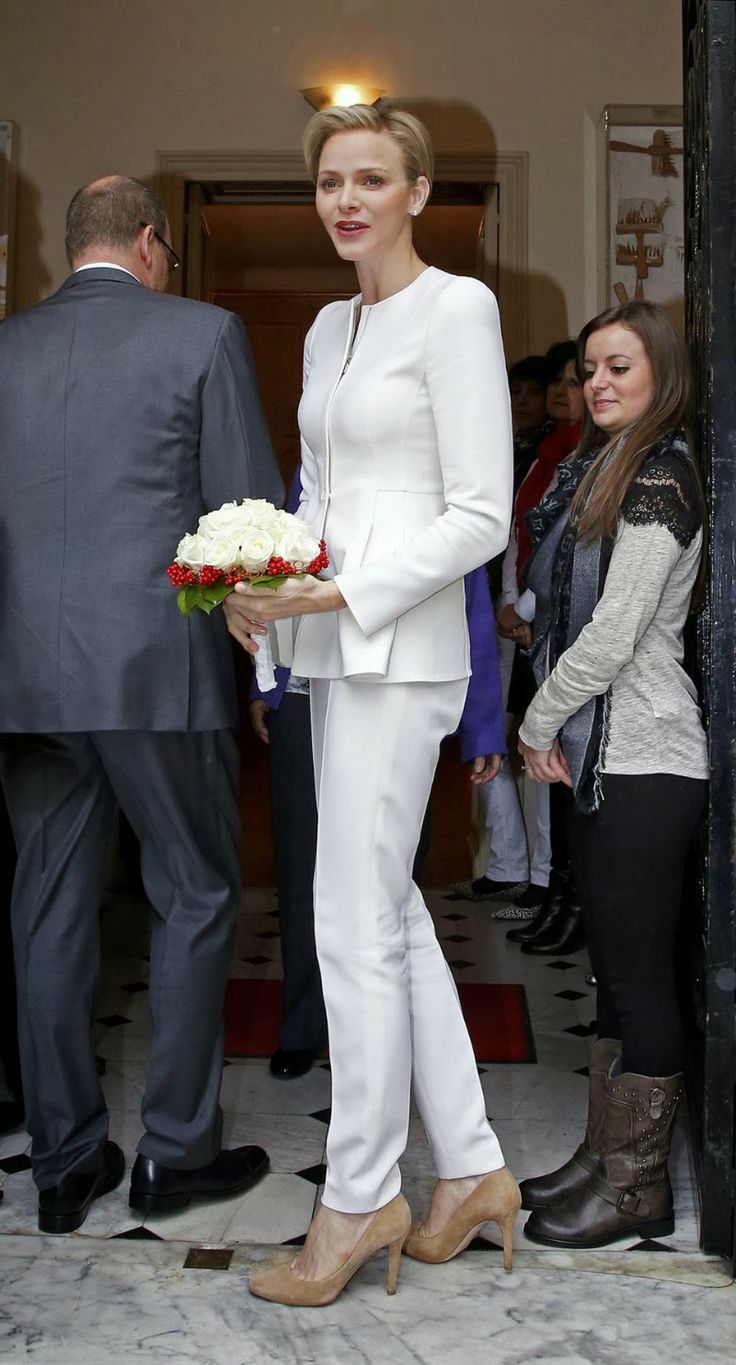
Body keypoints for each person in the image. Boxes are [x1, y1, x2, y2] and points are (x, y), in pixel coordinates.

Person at [224, 103, 520, 1306]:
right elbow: (328, 496)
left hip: (404, 656)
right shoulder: (329, 326)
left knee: (346, 920)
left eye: (371, 179)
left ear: (415, 191)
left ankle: (357, 1199)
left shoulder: (459, 310)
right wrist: (267, 588)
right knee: (380, 908)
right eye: (329, 182)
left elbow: (480, 515)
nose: (346, 200)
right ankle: (473, 1173)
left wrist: (339, 590)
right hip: (337, 651)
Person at [0, 176, 282, 1234]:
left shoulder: (6, 349)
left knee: (49, 905)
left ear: (70, 249)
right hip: (161, 675)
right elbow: (244, 514)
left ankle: (66, 1162)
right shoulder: (202, 333)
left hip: (25, 680)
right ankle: (175, 1152)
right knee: (196, 894)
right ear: (155, 246)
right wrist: (262, 668)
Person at [517, 300, 708, 1247]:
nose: (597, 382)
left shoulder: (662, 475)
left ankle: (638, 1189)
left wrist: (536, 716)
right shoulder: (606, 467)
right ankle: (605, 1157)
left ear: (659, 374)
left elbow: (617, 631)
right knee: (609, 976)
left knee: (640, 981)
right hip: (605, 757)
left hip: (645, 755)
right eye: (590, 367)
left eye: (618, 366)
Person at [251, 478, 506, 1081]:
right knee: (303, 864)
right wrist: (268, 681)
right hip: (306, 687)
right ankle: (304, 1025)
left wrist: (483, 723)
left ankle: (390, 1037)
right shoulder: (317, 461)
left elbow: (468, 593)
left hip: (391, 686)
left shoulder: (435, 475)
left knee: (390, 877)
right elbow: (277, 565)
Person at [476, 343, 584, 919]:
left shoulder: (583, 454)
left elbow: (562, 547)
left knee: (547, 746)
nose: (570, 391)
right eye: (563, 381)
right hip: (512, 609)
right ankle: (523, 873)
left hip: (549, 622)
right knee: (508, 737)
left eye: (578, 379)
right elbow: (519, 535)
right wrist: (510, 602)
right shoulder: (544, 454)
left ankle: (547, 883)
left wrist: (525, 609)